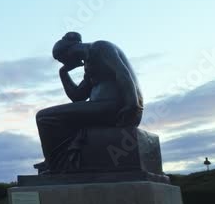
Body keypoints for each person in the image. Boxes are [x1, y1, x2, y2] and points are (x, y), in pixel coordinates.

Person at [35, 32, 144, 173]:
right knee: (53, 117)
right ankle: (56, 161)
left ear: (68, 52)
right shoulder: (89, 63)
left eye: (62, 60)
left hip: (116, 106)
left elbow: (122, 73)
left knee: (43, 117)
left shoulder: (100, 47)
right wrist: (63, 73)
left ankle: (55, 164)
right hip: (102, 107)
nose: (64, 64)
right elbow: (77, 96)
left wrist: (132, 103)